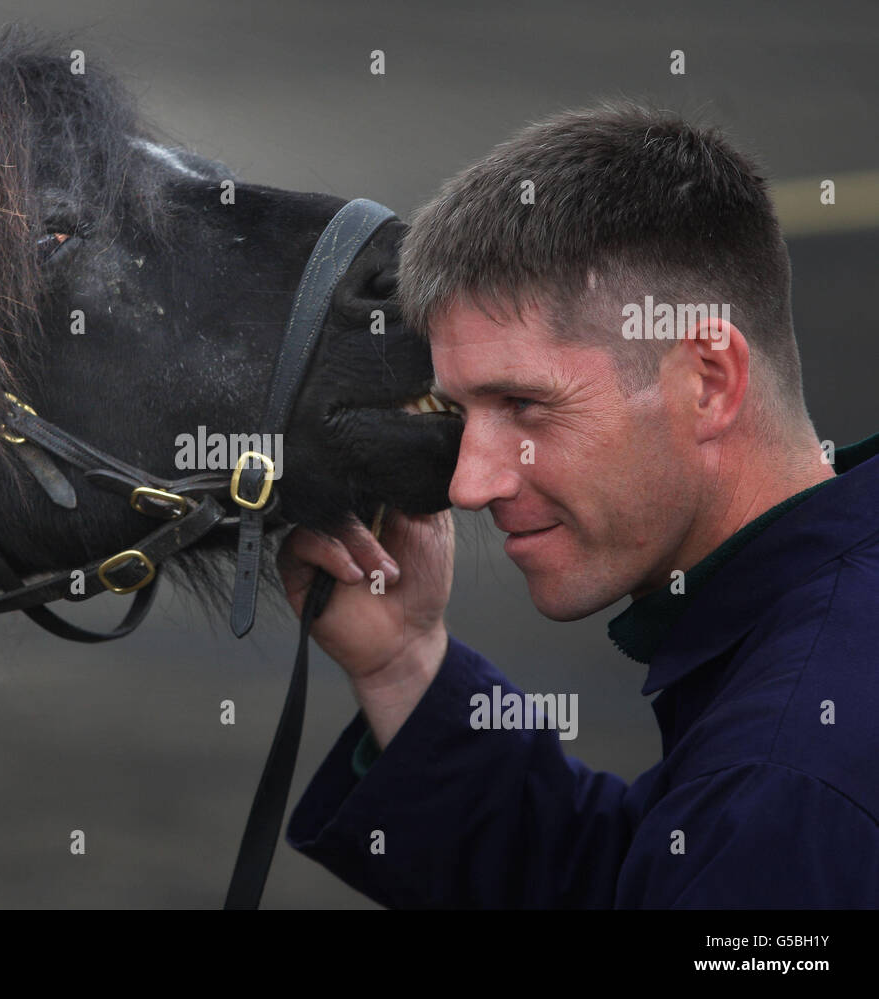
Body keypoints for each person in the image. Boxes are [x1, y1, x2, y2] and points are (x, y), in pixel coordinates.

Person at [279, 99, 879, 908]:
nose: (468, 484)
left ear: (708, 383)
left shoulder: (785, 781)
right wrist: (405, 663)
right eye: (459, 413)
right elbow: (637, 879)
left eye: (524, 404)